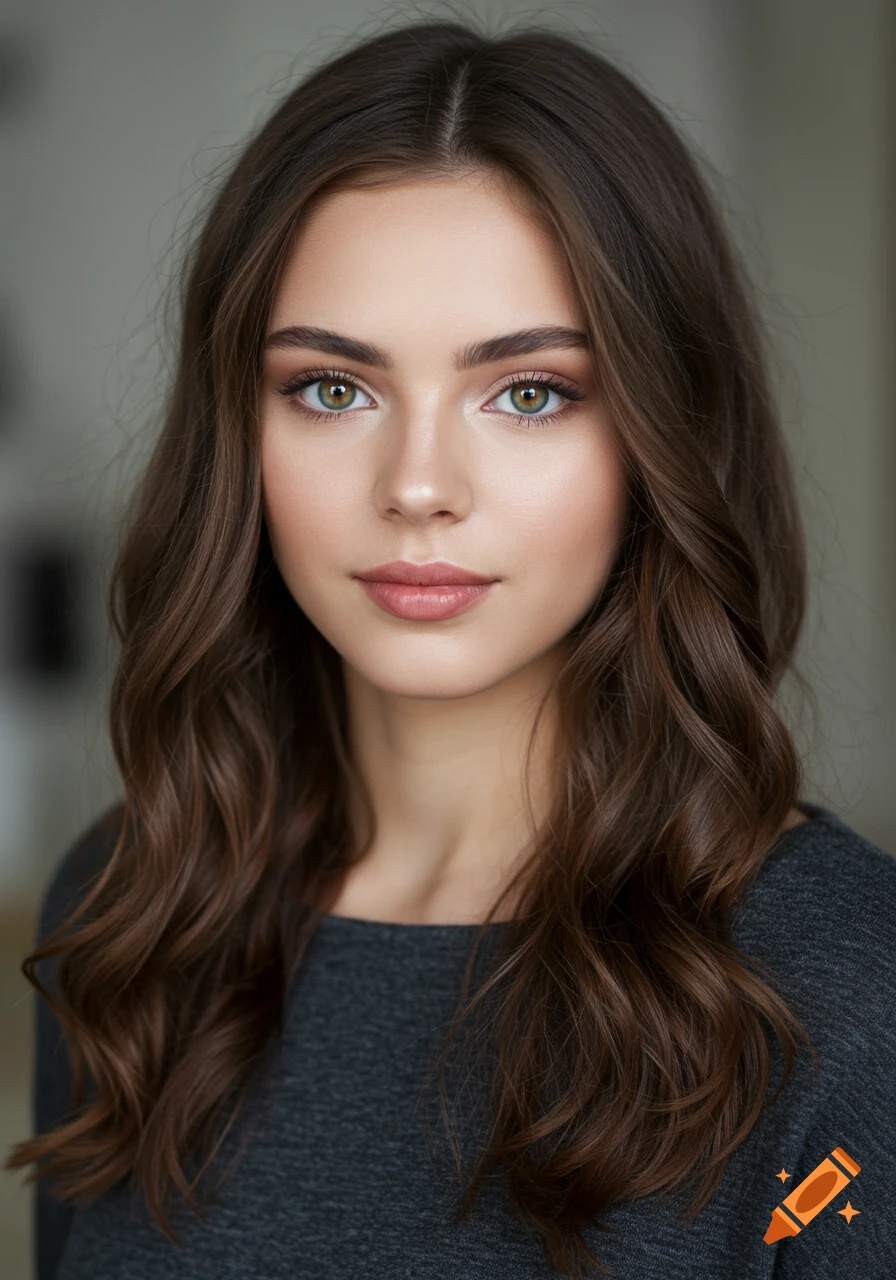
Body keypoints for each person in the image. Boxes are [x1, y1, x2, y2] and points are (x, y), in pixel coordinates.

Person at [6, 17, 896, 1280]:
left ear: (663, 434)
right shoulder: (130, 916)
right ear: (236, 437)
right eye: (332, 388)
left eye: (528, 392)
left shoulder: (847, 985)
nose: (418, 484)